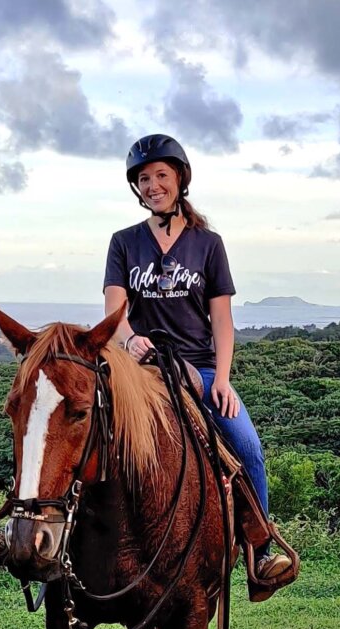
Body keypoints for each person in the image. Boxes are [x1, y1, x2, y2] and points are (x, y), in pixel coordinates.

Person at [105, 133, 298, 599]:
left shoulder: (208, 244)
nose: (153, 185)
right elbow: (113, 313)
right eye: (144, 179)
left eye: (161, 176)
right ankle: (49, 549)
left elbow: (222, 321)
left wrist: (224, 380)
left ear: (180, 180)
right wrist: (129, 339)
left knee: (246, 446)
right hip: (139, 370)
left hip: (198, 367)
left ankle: (260, 552)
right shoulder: (124, 242)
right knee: (74, 426)